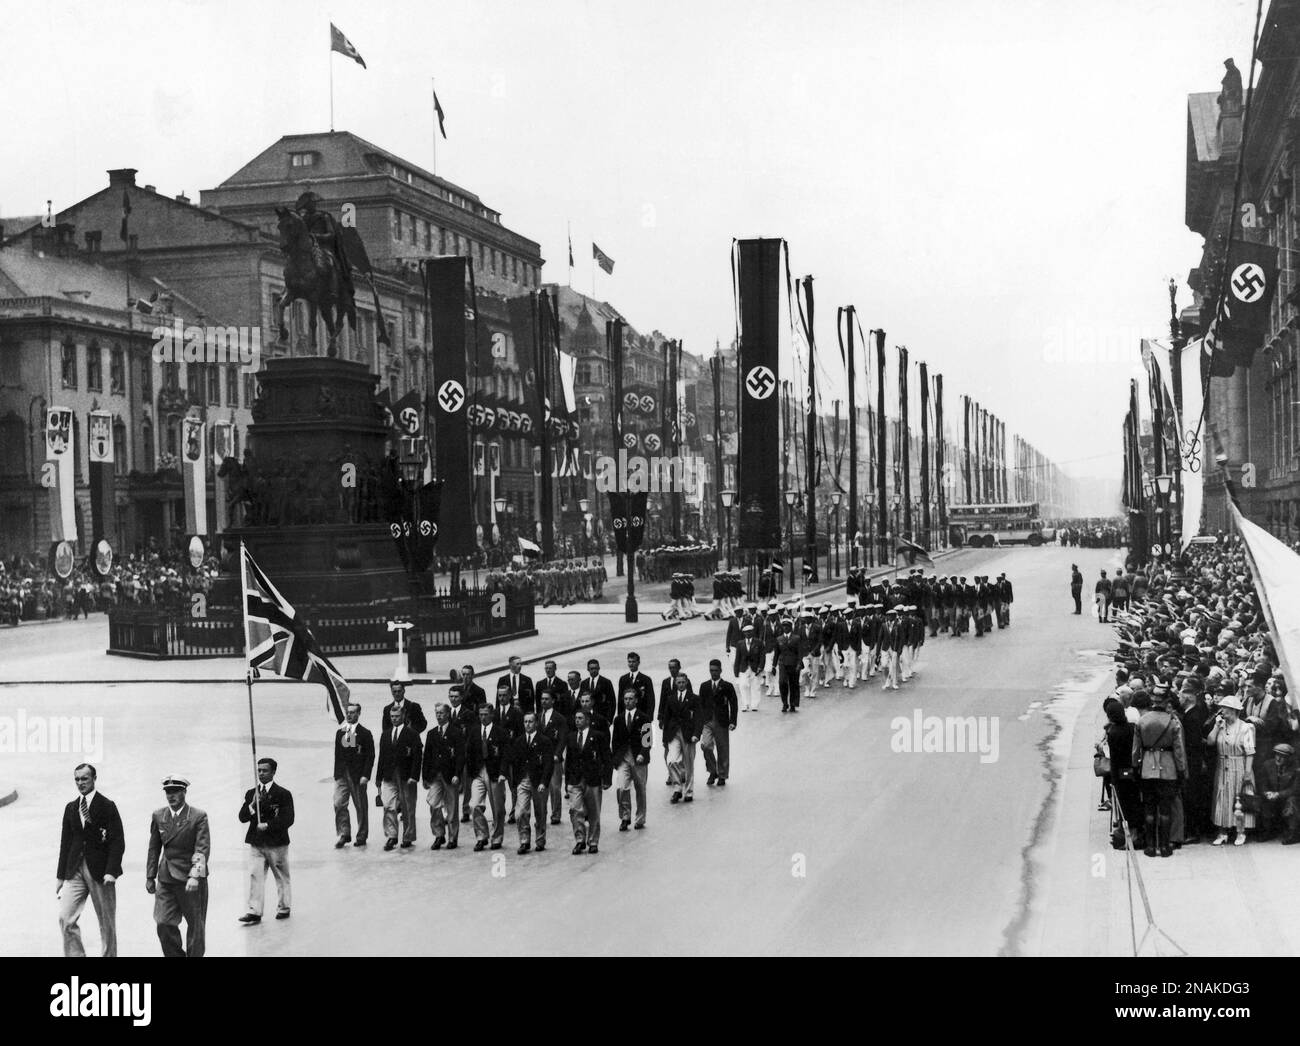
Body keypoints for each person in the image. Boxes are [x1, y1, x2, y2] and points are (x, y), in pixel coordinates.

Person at [56, 763, 124, 957]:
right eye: (77, 779)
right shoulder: (71, 808)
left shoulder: (107, 806)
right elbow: (65, 843)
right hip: (74, 869)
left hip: (101, 871)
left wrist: (111, 870)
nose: (80, 783)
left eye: (84, 778)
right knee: (65, 917)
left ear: (94, 779)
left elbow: (117, 841)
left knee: (106, 922)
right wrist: (60, 876)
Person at [146, 775, 210, 958]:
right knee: (163, 922)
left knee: (196, 926)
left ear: (184, 792)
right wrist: (150, 876)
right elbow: (154, 847)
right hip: (166, 878)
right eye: (168, 792)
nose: (171, 796)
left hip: (190, 880)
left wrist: (195, 876)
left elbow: (202, 848)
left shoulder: (198, 816)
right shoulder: (159, 815)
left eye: (175, 792)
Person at [1132, 684, 1187, 858]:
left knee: (1149, 808)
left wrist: (1135, 767)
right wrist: (1182, 770)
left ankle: (1150, 846)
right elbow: (1179, 751)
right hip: (1168, 768)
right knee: (1165, 809)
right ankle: (1164, 847)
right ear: (1166, 702)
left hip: (1147, 768)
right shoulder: (1173, 721)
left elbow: (1136, 750)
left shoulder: (1142, 721)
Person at [238, 757, 295, 924]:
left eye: (265, 770)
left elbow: (288, 819)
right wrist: (251, 806)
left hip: (277, 843)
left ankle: (284, 907)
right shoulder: (251, 793)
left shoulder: (283, 794)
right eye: (259, 770)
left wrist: (269, 825)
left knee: (281, 876)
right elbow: (242, 817)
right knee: (255, 876)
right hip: (257, 843)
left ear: (273, 772)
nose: (261, 773)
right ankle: (254, 911)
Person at [1206, 694, 1255, 846]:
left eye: (1225, 708)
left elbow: (1250, 752)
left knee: (1239, 799)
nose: (1222, 711)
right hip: (1222, 765)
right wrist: (1216, 726)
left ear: (1233, 710)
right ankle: (1222, 832)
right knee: (1222, 797)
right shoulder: (1221, 725)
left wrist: (1247, 772)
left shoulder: (1246, 727)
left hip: (1239, 764)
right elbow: (1210, 742)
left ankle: (1240, 832)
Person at [504, 711, 553, 854]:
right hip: (523, 781)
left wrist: (544, 782)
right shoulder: (519, 742)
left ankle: (540, 840)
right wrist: (515, 782)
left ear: (536, 723)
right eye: (525, 722)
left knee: (540, 812)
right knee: (521, 812)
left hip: (538, 782)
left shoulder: (544, 741)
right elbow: (514, 762)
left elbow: (548, 764)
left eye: (530, 721)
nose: (528, 724)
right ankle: (524, 840)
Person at [565, 709, 611, 854]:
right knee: (575, 809)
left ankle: (593, 841)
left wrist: (607, 779)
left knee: (594, 812)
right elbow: (569, 761)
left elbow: (606, 758)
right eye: (576, 718)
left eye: (580, 718)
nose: (577, 720)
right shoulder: (571, 737)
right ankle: (580, 840)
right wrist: (567, 782)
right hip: (575, 779)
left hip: (593, 779)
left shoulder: (598, 736)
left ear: (587, 720)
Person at [376, 706, 422, 851]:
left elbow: (417, 757)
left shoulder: (412, 734)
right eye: (392, 716)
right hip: (389, 775)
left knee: (408, 807)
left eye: (396, 716)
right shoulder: (386, 734)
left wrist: (414, 776)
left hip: (406, 776)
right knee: (388, 805)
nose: (394, 719)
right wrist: (378, 777)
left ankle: (408, 836)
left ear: (403, 716)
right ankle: (392, 836)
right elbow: (382, 757)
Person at [465, 703, 508, 851]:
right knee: (474, 805)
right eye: (480, 714)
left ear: (492, 715)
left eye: (485, 714)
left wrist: (503, 773)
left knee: (497, 808)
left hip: (495, 774)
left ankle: (497, 837)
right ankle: (482, 836)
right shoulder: (474, 731)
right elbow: (468, 752)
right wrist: (471, 772)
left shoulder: (500, 733)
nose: (483, 717)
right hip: (478, 772)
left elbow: (505, 756)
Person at [422, 703, 465, 851]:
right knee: (433, 803)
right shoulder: (432, 733)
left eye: (441, 713)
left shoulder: (456, 732)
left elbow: (460, 756)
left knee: (452, 808)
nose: (438, 716)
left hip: (450, 775)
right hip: (435, 775)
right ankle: (439, 834)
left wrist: (457, 774)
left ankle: (453, 837)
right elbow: (426, 756)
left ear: (447, 714)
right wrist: (425, 777)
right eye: (437, 713)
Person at [333, 702, 374, 848]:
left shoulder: (365, 733)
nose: (349, 715)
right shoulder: (341, 732)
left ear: (358, 714)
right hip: (342, 774)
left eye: (352, 712)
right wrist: (337, 773)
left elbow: (370, 756)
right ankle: (345, 833)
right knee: (338, 803)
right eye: (347, 712)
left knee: (360, 806)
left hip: (357, 775)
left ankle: (362, 835)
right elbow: (338, 754)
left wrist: (366, 775)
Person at [611, 688, 652, 830]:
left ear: (636, 700)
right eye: (625, 699)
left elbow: (648, 740)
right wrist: (615, 759)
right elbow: (614, 741)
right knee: (621, 787)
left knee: (640, 789)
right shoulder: (618, 719)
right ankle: (625, 816)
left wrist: (643, 753)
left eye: (630, 699)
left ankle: (640, 818)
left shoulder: (644, 718)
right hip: (623, 758)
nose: (627, 701)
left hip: (639, 758)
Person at [662, 673, 704, 802]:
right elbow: (666, 719)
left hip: (688, 734)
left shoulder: (694, 698)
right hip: (674, 733)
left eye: (683, 682)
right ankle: (677, 788)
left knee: (689, 763)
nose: (681, 684)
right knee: (672, 760)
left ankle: (689, 791)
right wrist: (665, 738)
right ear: (675, 683)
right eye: (678, 682)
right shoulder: (671, 699)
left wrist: (697, 734)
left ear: (687, 683)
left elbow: (699, 718)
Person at [699, 659, 738, 787]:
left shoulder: (727, 686)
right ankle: (712, 770)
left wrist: (733, 721)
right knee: (705, 745)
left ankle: (722, 775)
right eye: (711, 670)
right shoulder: (704, 686)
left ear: (720, 671)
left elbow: (734, 704)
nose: (713, 673)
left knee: (723, 749)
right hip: (707, 721)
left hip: (721, 721)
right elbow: (700, 705)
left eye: (716, 670)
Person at [537, 689, 569, 827]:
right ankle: (542, 812)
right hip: (540, 759)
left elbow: (562, 738)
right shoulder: (537, 717)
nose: (543, 701)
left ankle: (556, 814)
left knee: (555, 787)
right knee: (541, 787)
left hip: (554, 758)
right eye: (542, 699)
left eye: (546, 699)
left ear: (553, 701)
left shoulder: (559, 718)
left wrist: (557, 754)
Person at [1258, 743, 1299, 842]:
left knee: (1292, 801)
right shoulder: (1267, 765)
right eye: (1277, 754)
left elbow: (1296, 789)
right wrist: (1266, 793)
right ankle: (1267, 831)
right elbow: (1262, 783)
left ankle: (1293, 833)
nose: (1278, 758)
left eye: (1283, 756)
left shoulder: (1296, 768)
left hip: (1289, 797)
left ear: (1289, 758)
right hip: (1273, 796)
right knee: (1264, 801)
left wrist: (1278, 794)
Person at [617, 652, 656, 719]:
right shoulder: (623, 679)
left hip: (642, 715)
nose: (631, 664)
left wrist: (649, 717)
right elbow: (620, 700)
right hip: (627, 716)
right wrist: (620, 716)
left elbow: (651, 700)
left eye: (633, 662)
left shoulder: (646, 679)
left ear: (638, 662)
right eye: (629, 662)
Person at [579, 658, 617, 725]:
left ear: (599, 668)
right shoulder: (584, 683)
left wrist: (609, 719)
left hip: (602, 716)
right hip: (587, 717)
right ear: (588, 669)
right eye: (591, 669)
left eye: (596, 668)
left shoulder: (606, 682)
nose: (594, 671)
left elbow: (612, 702)